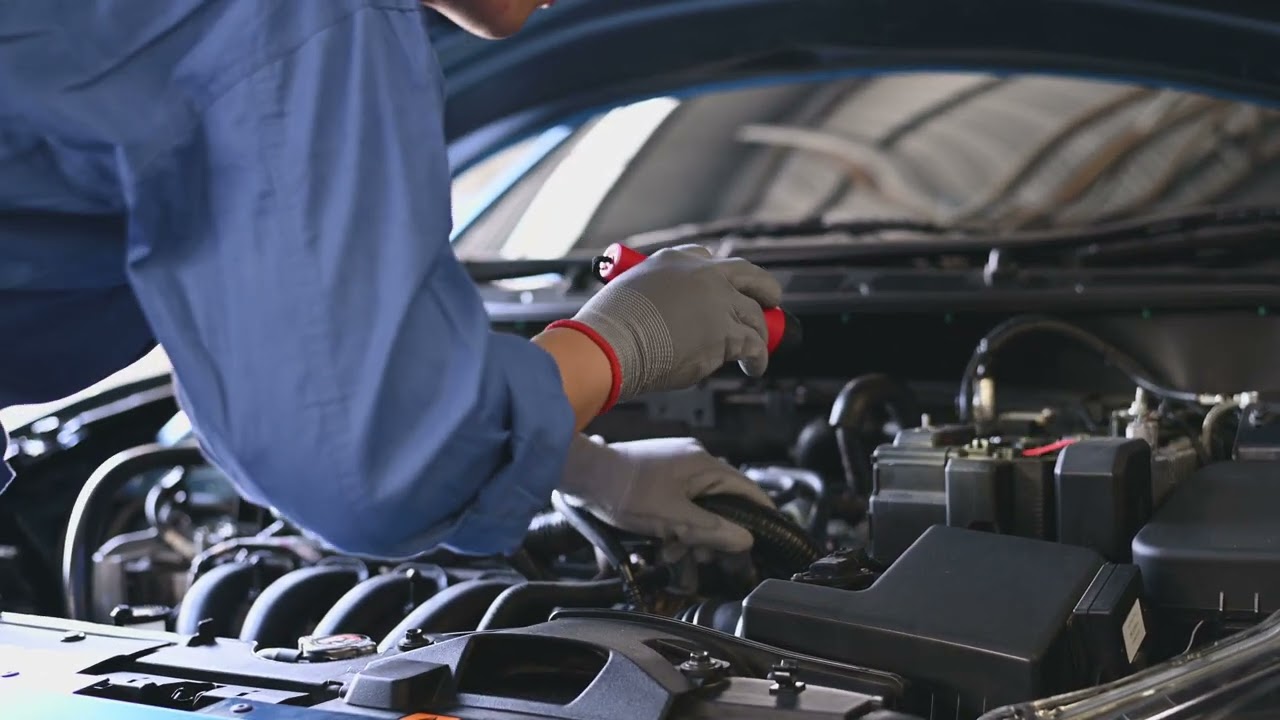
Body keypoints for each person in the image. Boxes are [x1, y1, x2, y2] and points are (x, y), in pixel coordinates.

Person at [0, 0, 781, 562]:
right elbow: (366, 468)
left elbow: (272, 355)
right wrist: (617, 345)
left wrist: (583, 467)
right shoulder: (303, 20)